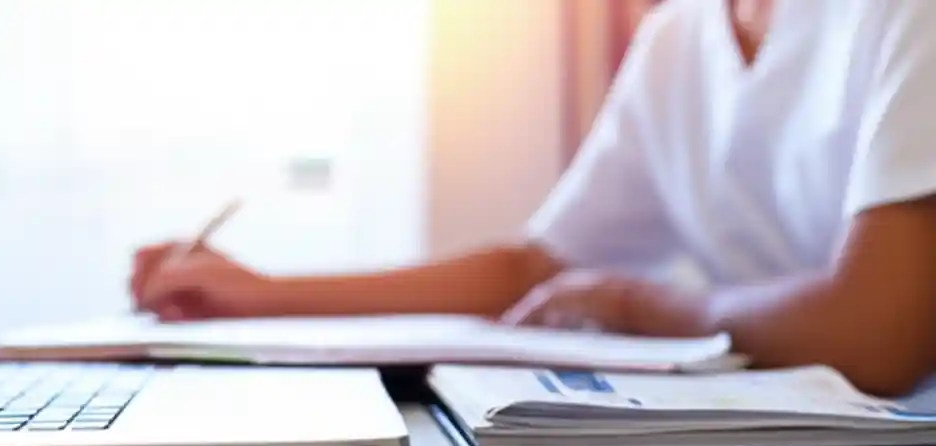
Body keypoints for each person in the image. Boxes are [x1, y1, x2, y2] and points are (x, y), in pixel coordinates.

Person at [129, 0, 936, 397]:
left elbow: (876, 335)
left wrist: (637, 304)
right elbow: (532, 273)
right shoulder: (678, 39)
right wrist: (262, 297)